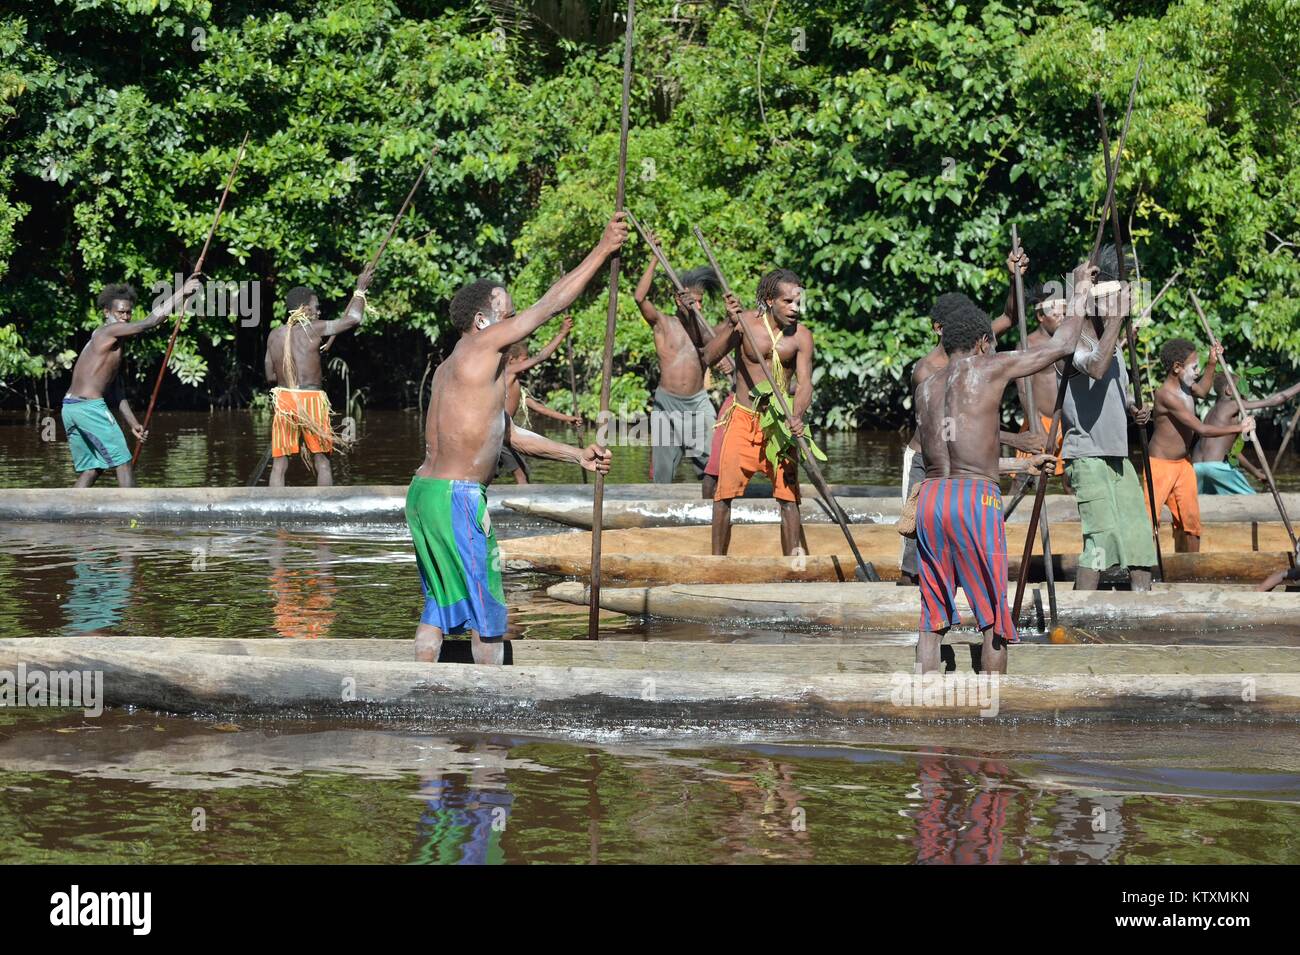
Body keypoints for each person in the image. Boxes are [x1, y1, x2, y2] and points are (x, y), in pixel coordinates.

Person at [409, 214, 625, 665]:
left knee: (439, 608)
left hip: (425, 495)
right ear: (483, 320)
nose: (514, 318)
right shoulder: (484, 346)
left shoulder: (454, 366)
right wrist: (603, 250)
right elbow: (551, 305)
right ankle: (492, 722)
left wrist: (574, 454)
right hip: (457, 500)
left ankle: (420, 696)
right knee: (488, 617)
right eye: (506, 312)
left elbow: (506, 434)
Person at [911, 262, 1091, 674]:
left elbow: (952, 454)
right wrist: (1079, 290)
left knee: (931, 620)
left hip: (933, 499)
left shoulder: (924, 387)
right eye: (991, 345)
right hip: (975, 503)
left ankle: (923, 707)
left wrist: (1020, 464)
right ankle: (995, 718)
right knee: (993, 615)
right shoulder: (988, 366)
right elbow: (1061, 346)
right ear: (982, 343)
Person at [898, 251, 1045, 585]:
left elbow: (1010, 316)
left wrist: (1014, 277)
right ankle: (909, 598)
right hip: (926, 459)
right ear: (938, 330)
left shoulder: (972, 339)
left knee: (954, 536)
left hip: (960, 461)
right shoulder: (927, 372)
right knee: (914, 546)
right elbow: (949, 427)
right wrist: (1015, 440)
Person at [1058, 248, 1156, 591]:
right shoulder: (1068, 342)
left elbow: (1121, 391)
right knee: (1101, 540)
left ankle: (1143, 608)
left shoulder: (1110, 343)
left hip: (1118, 455)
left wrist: (1135, 410)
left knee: (1139, 539)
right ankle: (1083, 610)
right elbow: (1096, 367)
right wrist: (1116, 319)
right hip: (1086, 454)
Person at [700, 268, 812, 557]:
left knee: (789, 499)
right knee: (723, 496)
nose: (795, 308)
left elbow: (804, 384)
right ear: (769, 300)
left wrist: (796, 415)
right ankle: (716, 564)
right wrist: (730, 325)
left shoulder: (801, 337)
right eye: (788, 301)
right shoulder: (746, 323)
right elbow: (709, 357)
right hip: (743, 418)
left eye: (798, 301)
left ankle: (793, 569)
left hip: (779, 423)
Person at [62, 278, 200, 487]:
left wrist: (133, 423)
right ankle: (134, 517)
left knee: (93, 468)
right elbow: (149, 323)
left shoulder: (115, 345)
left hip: (71, 407)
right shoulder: (106, 332)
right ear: (106, 313)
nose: (125, 318)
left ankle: (68, 511)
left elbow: (117, 392)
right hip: (88, 407)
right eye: (120, 313)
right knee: (123, 462)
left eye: (128, 313)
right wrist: (181, 293)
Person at [632, 242, 734, 485]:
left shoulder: (708, 330)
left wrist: (732, 318)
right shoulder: (663, 324)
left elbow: (731, 335)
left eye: (699, 301)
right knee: (662, 473)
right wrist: (655, 258)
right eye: (691, 300)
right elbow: (639, 297)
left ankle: (715, 511)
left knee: (713, 466)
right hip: (666, 403)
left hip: (698, 404)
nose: (695, 306)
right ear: (678, 299)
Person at [1147, 339, 1254, 551]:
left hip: (1183, 464)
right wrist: (1238, 428)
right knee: (1150, 518)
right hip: (1159, 465)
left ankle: (1191, 569)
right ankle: (1144, 568)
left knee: (1192, 521)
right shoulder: (1166, 395)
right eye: (1194, 367)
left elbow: (1204, 391)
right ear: (1177, 368)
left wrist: (1212, 362)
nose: (1197, 371)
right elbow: (1202, 429)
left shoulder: (1185, 385)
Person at [263, 286, 365, 487]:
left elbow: (270, 376)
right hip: (311, 401)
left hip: (284, 401)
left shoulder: (274, 335)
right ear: (304, 308)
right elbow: (353, 319)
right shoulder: (315, 328)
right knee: (323, 462)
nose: (318, 312)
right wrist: (360, 291)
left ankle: (275, 513)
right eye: (316, 307)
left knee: (279, 465)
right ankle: (324, 512)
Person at [497, 317, 583, 484]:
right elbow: (541, 357)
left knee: (522, 473)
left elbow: (539, 408)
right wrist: (562, 333)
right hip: (498, 434)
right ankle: (524, 505)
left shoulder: (517, 387)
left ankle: (522, 502)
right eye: (524, 359)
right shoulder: (508, 372)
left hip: (506, 436)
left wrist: (568, 419)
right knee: (521, 474)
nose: (526, 364)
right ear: (511, 360)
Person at [1192, 373, 1300, 494]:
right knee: (1251, 498)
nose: (1244, 392)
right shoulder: (1233, 404)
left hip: (1196, 467)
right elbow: (1274, 401)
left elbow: (1234, 452)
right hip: (1216, 467)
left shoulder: (1210, 413)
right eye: (1241, 387)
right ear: (1229, 390)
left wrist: (1256, 473)